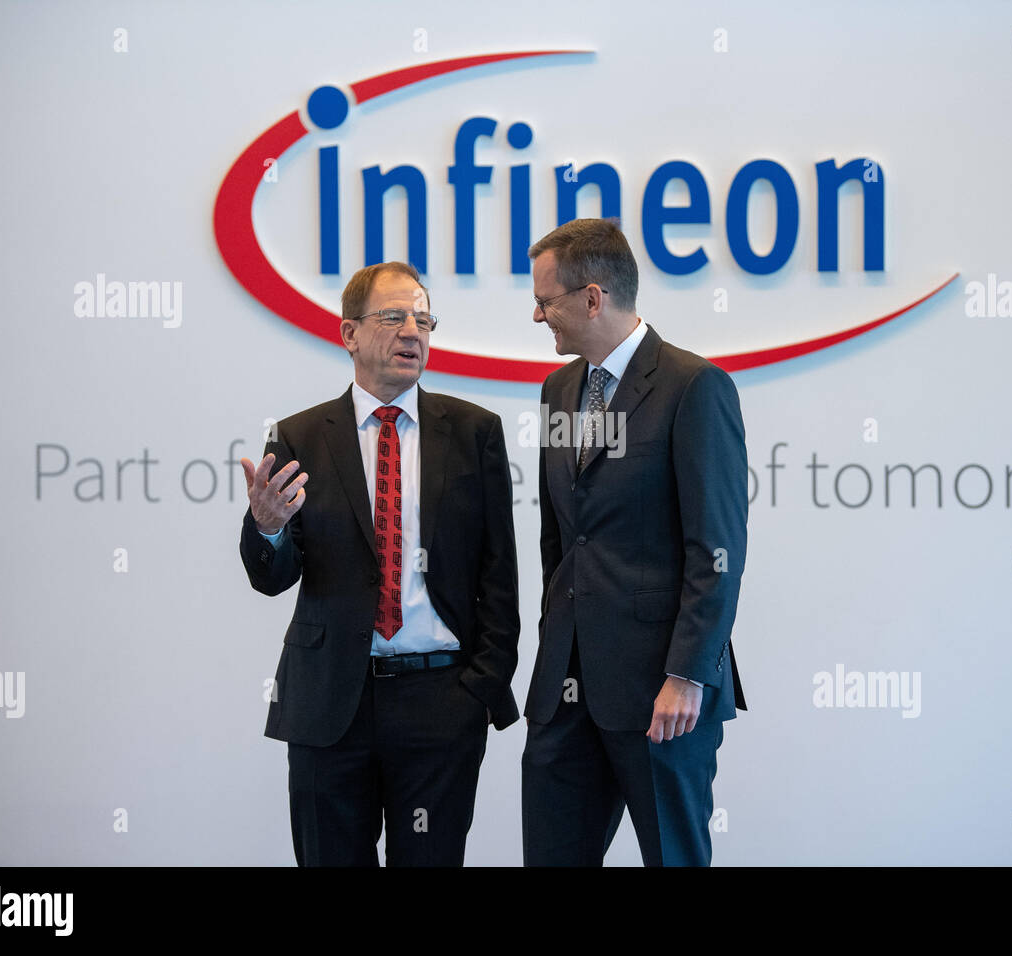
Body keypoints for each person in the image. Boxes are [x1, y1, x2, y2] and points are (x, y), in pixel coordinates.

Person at [238, 261, 520, 866]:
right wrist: (266, 528)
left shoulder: (474, 432)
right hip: (330, 703)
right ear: (349, 334)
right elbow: (271, 577)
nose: (412, 331)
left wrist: (478, 688)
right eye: (393, 317)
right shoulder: (298, 436)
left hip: (440, 703)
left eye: (423, 319)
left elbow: (500, 575)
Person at [521, 217, 748, 867]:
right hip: (564, 693)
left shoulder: (693, 387)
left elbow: (718, 550)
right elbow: (559, 539)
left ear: (593, 298)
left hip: (661, 696)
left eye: (546, 301)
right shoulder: (558, 391)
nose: (538, 317)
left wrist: (686, 675)